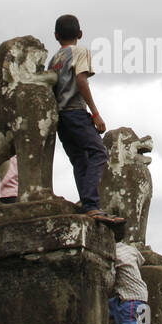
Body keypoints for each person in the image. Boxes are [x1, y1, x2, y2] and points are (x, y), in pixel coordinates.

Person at [49, 14, 122, 225]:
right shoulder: (80, 52)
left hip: (60, 117)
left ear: (56, 36)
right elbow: (81, 80)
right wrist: (96, 113)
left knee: (80, 159)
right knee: (99, 153)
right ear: (80, 34)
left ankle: (87, 205)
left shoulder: (54, 60)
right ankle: (90, 204)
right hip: (75, 111)